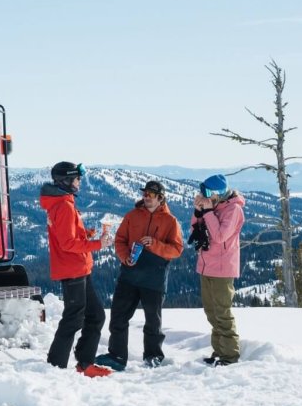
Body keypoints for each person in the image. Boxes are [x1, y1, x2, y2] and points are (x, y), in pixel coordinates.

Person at [95, 179, 183, 371]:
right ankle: (116, 356)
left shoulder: (170, 221)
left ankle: (153, 356)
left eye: (151, 195)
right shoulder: (132, 215)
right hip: (130, 275)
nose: (146, 197)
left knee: (153, 321)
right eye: (145, 194)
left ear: (161, 198)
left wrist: (155, 244)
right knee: (118, 316)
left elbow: (177, 250)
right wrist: (125, 257)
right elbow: (120, 240)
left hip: (155, 277)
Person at [40, 161, 110, 376]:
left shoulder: (63, 203)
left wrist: (85, 236)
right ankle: (56, 366)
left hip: (79, 267)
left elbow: (67, 237)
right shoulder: (63, 206)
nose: (80, 182)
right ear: (67, 180)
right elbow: (67, 244)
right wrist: (99, 244)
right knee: (74, 318)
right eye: (77, 178)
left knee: (96, 316)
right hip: (73, 269)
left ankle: (84, 363)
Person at [192, 174, 245, 366]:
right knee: (211, 312)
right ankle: (219, 351)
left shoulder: (234, 209)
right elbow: (195, 231)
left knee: (222, 312)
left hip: (222, 269)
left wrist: (207, 213)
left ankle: (230, 356)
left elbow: (221, 236)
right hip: (206, 265)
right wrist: (198, 213)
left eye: (207, 192)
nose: (203, 196)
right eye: (202, 191)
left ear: (218, 193)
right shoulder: (212, 207)